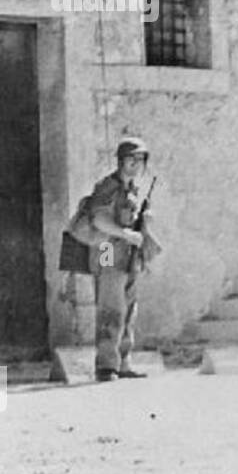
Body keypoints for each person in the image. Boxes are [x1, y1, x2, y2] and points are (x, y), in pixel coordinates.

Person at [86, 136, 162, 382]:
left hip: (129, 255)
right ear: (120, 161)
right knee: (111, 306)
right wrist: (125, 234)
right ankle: (106, 366)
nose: (135, 164)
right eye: (131, 159)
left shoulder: (134, 191)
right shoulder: (108, 187)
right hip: (108, 250)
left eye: (140, 160)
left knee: (129, 308)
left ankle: (124, 361)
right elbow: (98, 219)